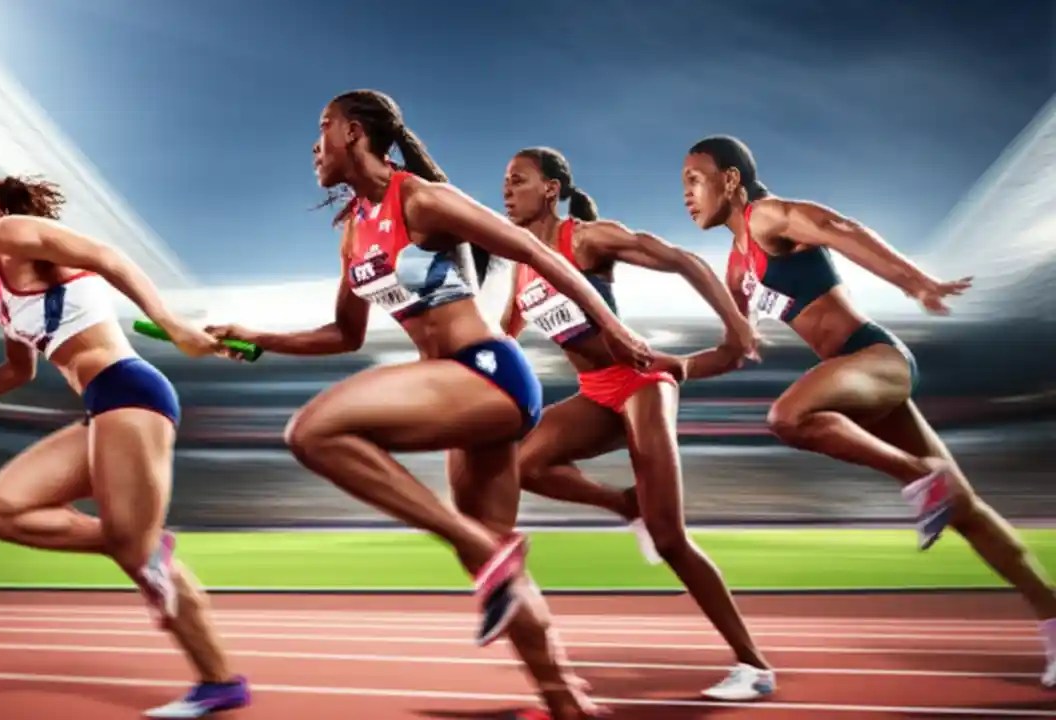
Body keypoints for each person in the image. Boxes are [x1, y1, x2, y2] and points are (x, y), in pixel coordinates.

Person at [206, 90, 653, 719]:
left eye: (323, 127)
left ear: (354, 133)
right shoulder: (356, 230)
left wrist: (616, 329)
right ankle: (566, 699)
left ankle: (478, 545)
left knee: (312, 432)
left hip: (487, 374)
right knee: (495, 560)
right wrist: (260, 338)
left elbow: (539, 254)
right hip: (452, 392)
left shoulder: (419, 199)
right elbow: (346, 335)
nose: (314, 144)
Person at [681, 135, 1056, 688]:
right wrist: (669, 366)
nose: (685, 195)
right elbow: (738, 343)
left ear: (730, 180)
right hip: (852, 378)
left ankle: (917, 478)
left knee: (787, 417)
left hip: (875, 358)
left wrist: (915, 282)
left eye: (693, 179)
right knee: (966, 510)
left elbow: (842, 230)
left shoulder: (770, 217)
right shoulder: (738, 268)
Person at [0, 171, 250, 718]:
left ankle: (219, 680)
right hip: (102, 407)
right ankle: (136, 545)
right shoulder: (3, 293)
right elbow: (16, 371)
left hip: (129, 391)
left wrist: (173, 326)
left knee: (137, 553)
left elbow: (108, 255)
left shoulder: (12, 232)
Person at [496, 146, 774, 701]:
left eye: (517, 181)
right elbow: (505, 333)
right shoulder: (523, 260)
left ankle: (754, 666)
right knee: (525, 462)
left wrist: (736, 329)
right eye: (503, 182)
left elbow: (683, 260)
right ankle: (628, 507)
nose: (505, 191)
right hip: (596, 394)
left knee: (671, 538)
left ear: (550, 189)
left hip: (643, 384)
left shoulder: (589, 239)